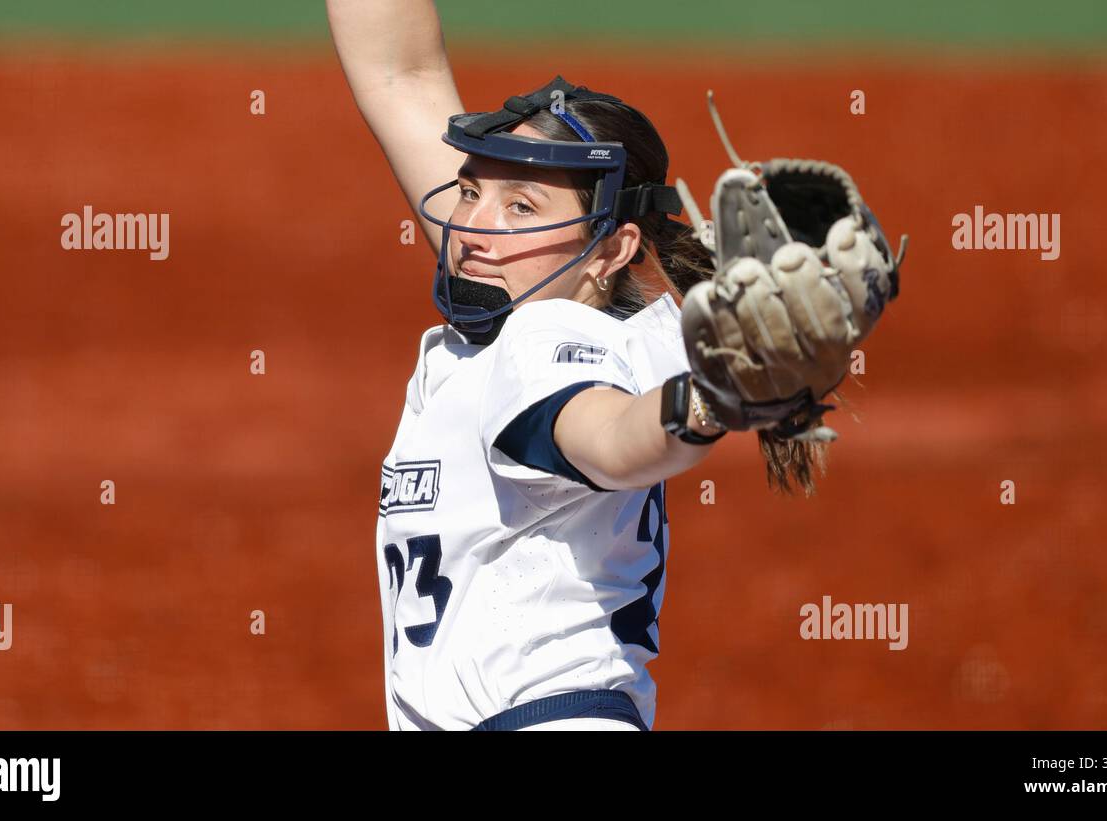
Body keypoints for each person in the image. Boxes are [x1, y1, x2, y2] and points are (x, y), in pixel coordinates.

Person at [327, 0, 831, 731]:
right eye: (469, 190)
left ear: (612, 249)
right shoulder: (649, 326)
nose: (472, 227)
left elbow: (611, 436)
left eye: (521, 207)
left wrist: (705, 404)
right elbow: (398, 72)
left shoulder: (540, 342)